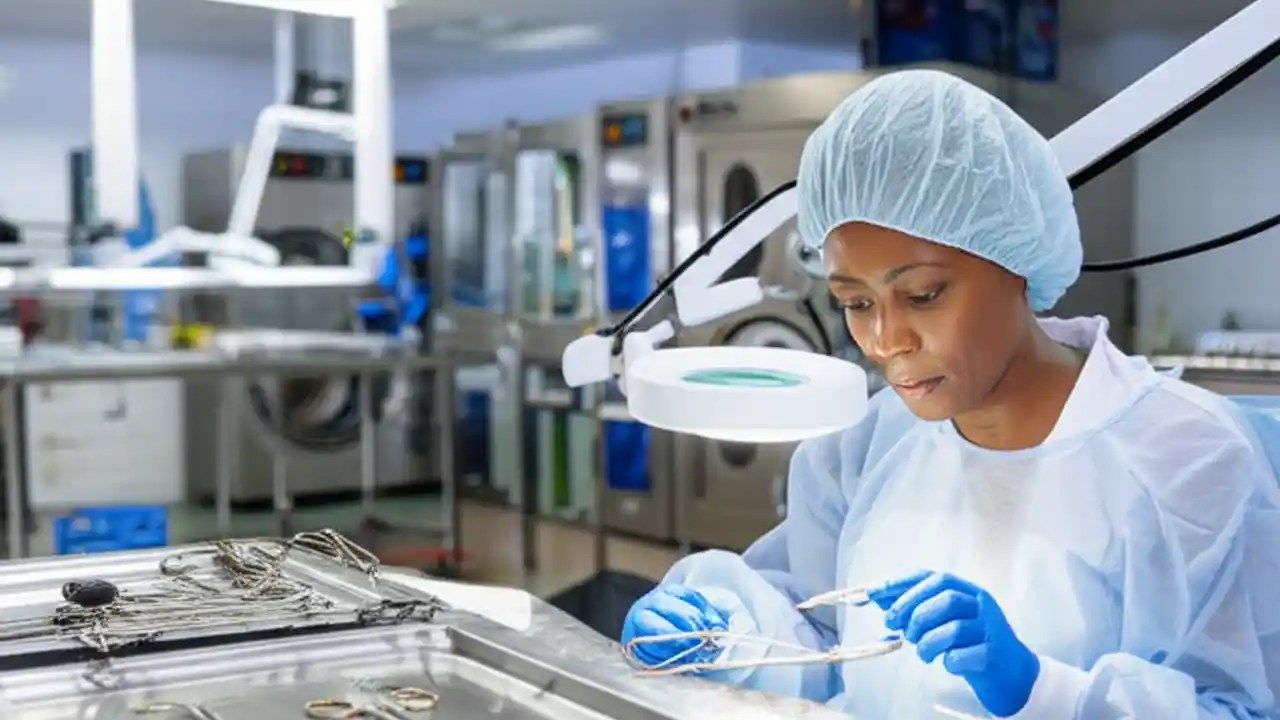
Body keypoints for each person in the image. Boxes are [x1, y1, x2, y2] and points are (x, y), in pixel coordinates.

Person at [620, 69, 1280, 719]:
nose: (884, 340)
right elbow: (817, 631)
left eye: (923, 295)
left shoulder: (1186, 460)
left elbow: (1238, 709)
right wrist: (721, 630)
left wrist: (1039, 689)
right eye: (854, 302)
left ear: (1015, 259)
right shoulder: (873, 440)